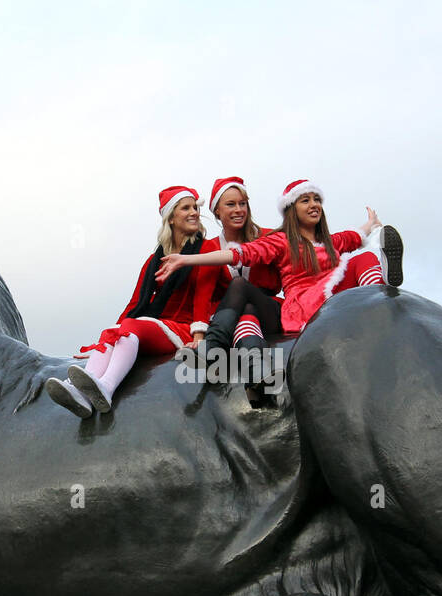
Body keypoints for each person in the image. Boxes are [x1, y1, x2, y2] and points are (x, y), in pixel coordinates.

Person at [45, 186, 227, 417]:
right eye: (186, 208)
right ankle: (79, 392)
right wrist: (110, 335)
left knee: (130, 326)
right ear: (171, 218)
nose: (194, 212)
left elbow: (204, 292)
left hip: (184, 328)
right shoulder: (154, 260)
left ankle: (107, 387)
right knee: (114, 329)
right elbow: (134, 304)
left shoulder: (206, 249)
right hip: (157, 326)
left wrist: (199, 335)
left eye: (195, 208)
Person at [156, 179, 403, 346]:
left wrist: (371, 224)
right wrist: (186, 259)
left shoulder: (330, 241)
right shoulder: (280, 241)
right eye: (305, 200)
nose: (313, 204)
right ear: (292, 210)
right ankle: (234, 360)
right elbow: (237, 254)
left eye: (316, 199)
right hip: (301, 304)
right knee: (247, 312)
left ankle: (379, 297)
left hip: (331, 298)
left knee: (366, 257)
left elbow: (355, 236)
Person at [195, 177, 283, 359]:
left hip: (268, 310)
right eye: (230, 204)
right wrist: (198, 332)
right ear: (217, 211)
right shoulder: (210, 247)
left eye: (242, 204)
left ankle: (213, 345)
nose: (238, 210)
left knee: (240, 284)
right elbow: (203, 292)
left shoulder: (269, 236)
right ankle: (256, 369)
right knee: (247, 309)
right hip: (235, 317)